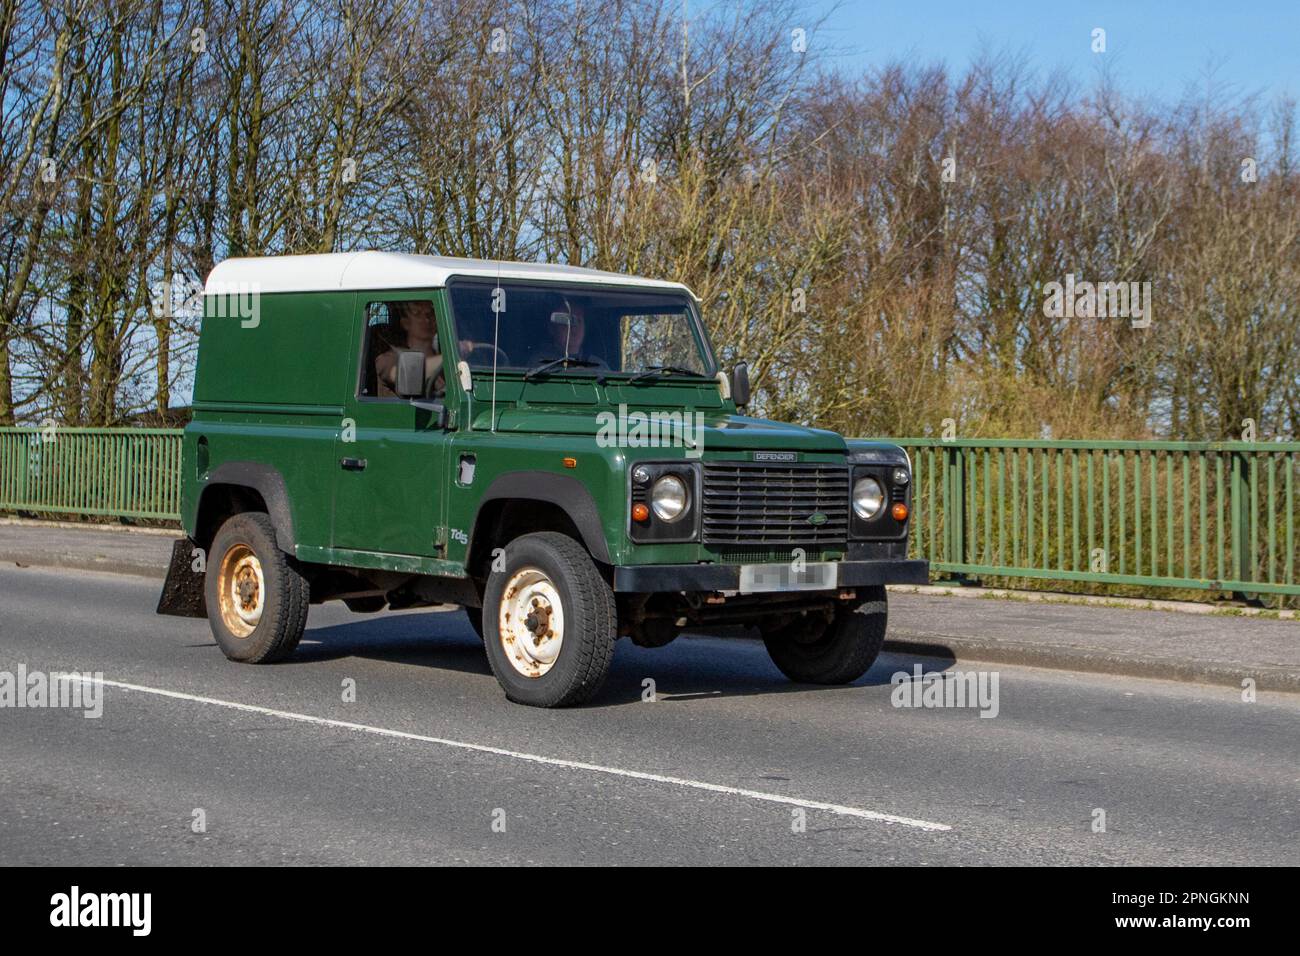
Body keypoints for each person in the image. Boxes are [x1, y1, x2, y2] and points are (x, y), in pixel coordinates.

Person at [375, 300, 445, 397]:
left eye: (430, 313)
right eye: (417, 313)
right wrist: (452, 357)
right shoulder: (387, 359)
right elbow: (406, 375)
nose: (427, 319)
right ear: (405, 323)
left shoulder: (440, 355)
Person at [524, 301, 608, 369]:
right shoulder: (540, 363)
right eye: (566, 321)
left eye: (579, 320)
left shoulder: (598, 366)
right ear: (552, 328)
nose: (573, 327)